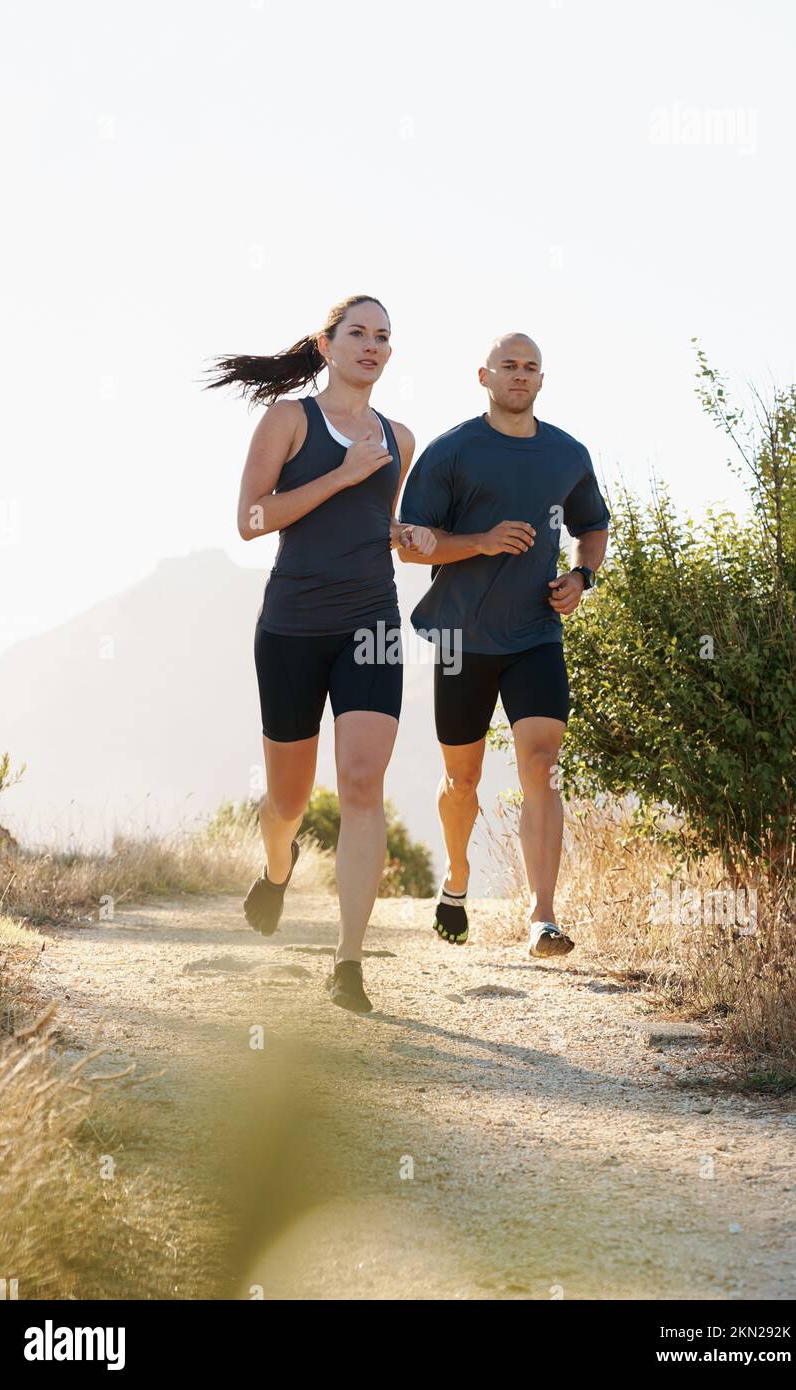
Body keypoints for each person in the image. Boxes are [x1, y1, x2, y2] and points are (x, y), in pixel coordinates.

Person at [206, 295, 435, 1011]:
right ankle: (278, 870)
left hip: (370, 623)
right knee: (288, 800)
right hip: (292, 628)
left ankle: (349, 962)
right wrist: (339, 474)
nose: (372, 345)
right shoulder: (288, 421)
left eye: (383, 338)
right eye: (358, 333)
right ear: (327, 344)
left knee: (363, 783)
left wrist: (408, 536)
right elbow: (250, 519)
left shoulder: (401, 437)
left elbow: (375, 520)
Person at [396, 332, 609, 957]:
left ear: (542, 379)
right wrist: (481, 542)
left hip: (535, 635)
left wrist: (581, 576)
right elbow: (409, 542)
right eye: (509, 366)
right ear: (484, 375)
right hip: (462, 637)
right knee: (462, 780)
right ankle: (457, 876)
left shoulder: (567, 454)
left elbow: (592, 525)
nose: (520, 376)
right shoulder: (453, 451)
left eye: (531, 367)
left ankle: (542, 915)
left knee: (543, 766)